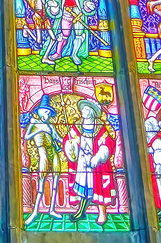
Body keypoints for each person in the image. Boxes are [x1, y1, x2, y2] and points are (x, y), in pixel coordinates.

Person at [63, 97, 116, 225]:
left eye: (86, 109)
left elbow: (107, 143)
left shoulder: (99, 127)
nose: (82, 111)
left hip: (95, 164)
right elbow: (70, 139)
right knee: (84, 186)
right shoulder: (78, 125)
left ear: (92, 112)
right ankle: (81, 211)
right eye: (82, 109)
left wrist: (98, 157)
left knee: (98, 188)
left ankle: (102, 213)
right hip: (82, 160)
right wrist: (71, 146)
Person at [43, 0, 97, 65]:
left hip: (78, 13)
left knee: (79, 34)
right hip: (65, 12)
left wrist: (88, 5)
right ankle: (58, 53)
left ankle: (74, 54)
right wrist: (54, 7)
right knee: (64, 34)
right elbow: (50, 0)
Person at [24, 95, 63, 225]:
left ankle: (52, 209)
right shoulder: (35, 123)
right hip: (43, 153)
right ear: (40, 111)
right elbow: (26, 137)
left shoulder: (51, 125)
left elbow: (58, 138)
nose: (47, 114)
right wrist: (39, 130)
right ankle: (35, 212)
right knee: (42, 183)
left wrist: (59, 136)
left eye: (48, 112)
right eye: (45, 111)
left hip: (53, 152)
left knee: (56, 181)